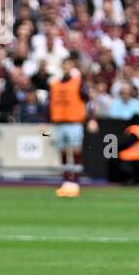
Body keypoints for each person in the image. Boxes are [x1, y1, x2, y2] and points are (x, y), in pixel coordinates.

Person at [48, 56, 88, 197]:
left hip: (74, 122)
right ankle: (66, 182)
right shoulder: (55, 84)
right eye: (64, 65)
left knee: (76, 153)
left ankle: (75, 183)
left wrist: (92, 118)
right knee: (63, 153)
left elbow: (87, 99)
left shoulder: (79, 82)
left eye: (68, 65)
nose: (66, 67)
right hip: (60, 122)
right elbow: (51, 103)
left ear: (72, 67)